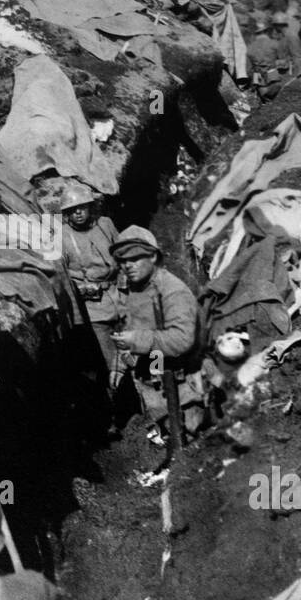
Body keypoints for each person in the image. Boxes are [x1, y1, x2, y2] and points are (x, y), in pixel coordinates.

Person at [110, 226, 204, 440]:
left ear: (152, 256)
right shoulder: (138, 288)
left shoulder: (172, 291)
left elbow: (182, 340)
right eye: (123, 261)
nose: (127, 266)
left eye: (134, 259)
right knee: (160, 406)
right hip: (156, 364)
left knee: (189, 427)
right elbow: (133, 327)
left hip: (181, 370)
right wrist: (122, 360)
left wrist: (137, 341)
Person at [57, 181, 120, 375]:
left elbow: (124, 253)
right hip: (93, 309)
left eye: (82, 207)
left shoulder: (105, 225)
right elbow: (61, 275)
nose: (78, 212)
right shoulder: (62, 236)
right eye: (72, 209)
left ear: (90, 207)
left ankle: (157, 377)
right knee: (113, 364)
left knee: (149, 349)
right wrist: (80, 288)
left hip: (121, 298)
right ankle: (122, 396)